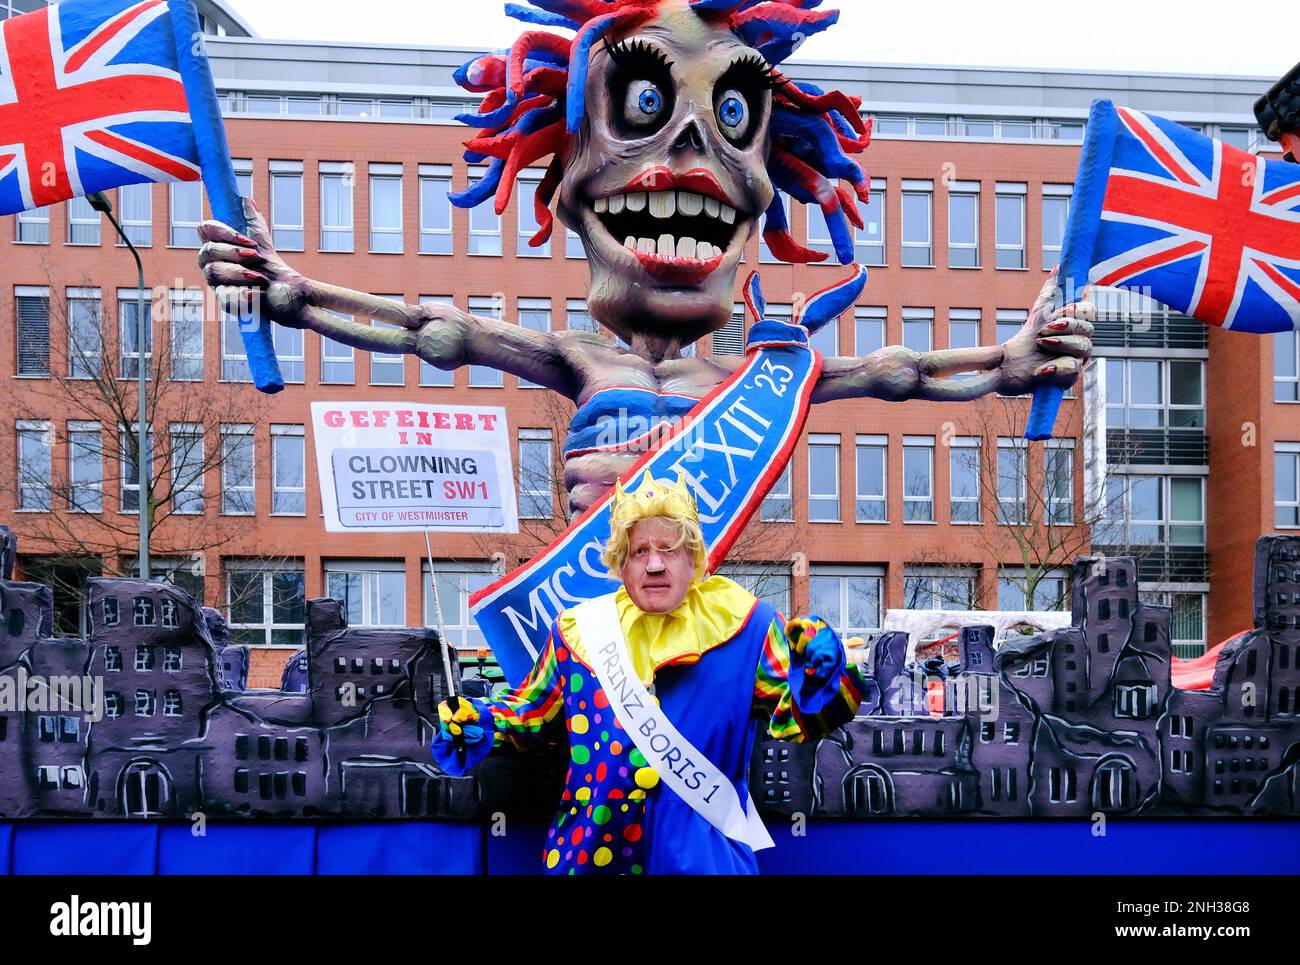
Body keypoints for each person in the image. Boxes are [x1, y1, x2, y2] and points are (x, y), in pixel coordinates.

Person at [432, 471, 862, 874]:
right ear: (620, 564)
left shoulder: (747, 626)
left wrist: (821, 683)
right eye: (639, 551)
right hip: (591, 854)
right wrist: (480, 718)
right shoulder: (576, 631)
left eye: (670, 549)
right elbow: (535, 713)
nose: (655, 565)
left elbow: (794, 722)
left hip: (704, 858)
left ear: (694, 559)